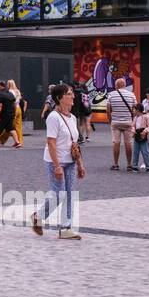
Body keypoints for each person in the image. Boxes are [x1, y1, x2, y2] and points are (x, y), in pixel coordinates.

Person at [32, 84, 84, 239]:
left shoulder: (73, 118)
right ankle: (38, 217)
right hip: (56, 161)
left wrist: (80, 164)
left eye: (72, 94)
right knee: (59, 194)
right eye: (69, 94)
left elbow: (75, 144)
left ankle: (66, 228)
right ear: (59, 98)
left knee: (70, 195)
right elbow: (51, 142)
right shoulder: (53, 117)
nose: (73, 96)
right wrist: (57, 166)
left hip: (71, 162)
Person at [107, 77, 137, 170]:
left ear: (116, 86)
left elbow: (108, 110)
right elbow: (135, 109)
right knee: (128, 143)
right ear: (125, 85)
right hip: (128, 122)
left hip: (115, 122)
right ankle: (129, 165)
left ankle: (115, 164)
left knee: (116, 143)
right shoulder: (131, 95)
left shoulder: (111, 95)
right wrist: (132, 119)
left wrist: (110, 120)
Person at [129, 102, 149, 172]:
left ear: (138, 110)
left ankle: (148, 167)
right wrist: (133, 130)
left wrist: (145, 131)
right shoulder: (135, 118)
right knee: (135, 151)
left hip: (143, 135)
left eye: (134, 109)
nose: (133, 111)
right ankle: (134, 166)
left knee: (145, 152)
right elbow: (132, 126)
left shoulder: (146, 117)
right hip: (137, 134)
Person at [0, 81, 17, 148]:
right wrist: (14, 113)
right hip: (11, 114)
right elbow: (14, 105)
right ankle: (17, 142)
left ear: (1, 86)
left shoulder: (0, 95)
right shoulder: (11, 94)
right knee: (11, 128)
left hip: (3, 114)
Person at [6, 78, 25, 147]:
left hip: (13, 109)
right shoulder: (18, 91)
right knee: (18, 126)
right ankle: (20, 141)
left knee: (10, 125)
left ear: (9, 84)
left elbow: (12, 102)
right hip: (19, 108)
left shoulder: (10, 92)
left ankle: (1, 140)